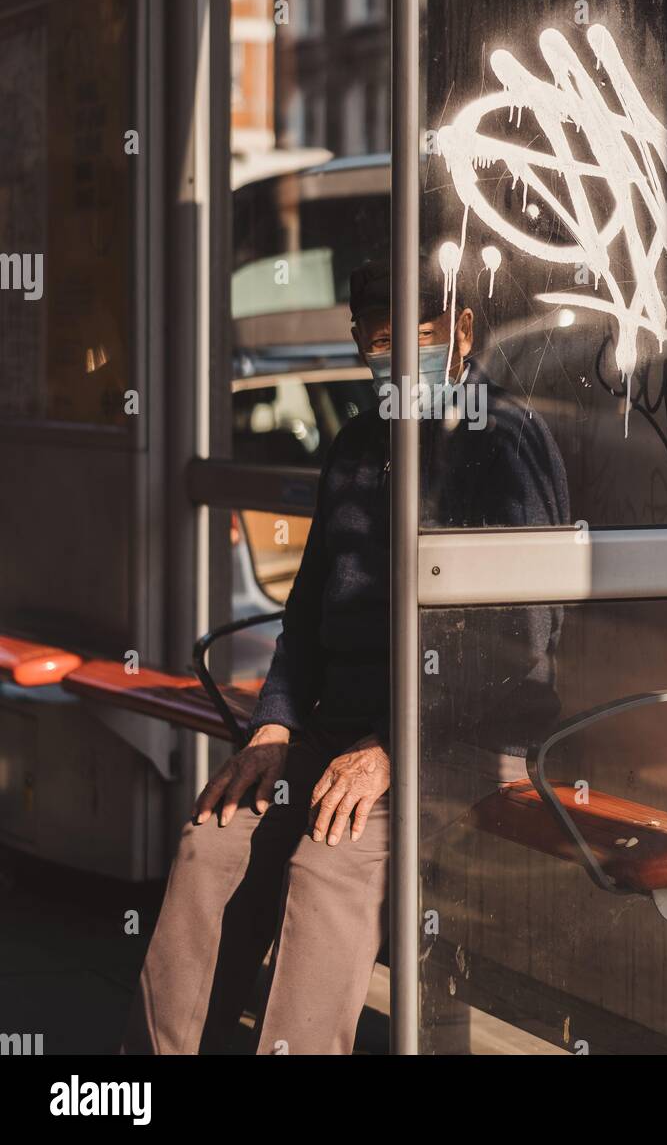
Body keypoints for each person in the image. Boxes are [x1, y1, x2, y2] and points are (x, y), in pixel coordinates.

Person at [122, 259, 569, 1056]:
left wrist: (395, 748)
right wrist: (274, 727)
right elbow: (305, 616)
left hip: (469, 737)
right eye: (385, 340)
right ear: (359, 341)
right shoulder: (359, 443)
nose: (402, 360)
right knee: (211, 840)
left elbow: (520, 639)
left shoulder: (507, 442)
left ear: (463, 332)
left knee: (327, 860)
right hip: (345, 730)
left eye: (423, 338)